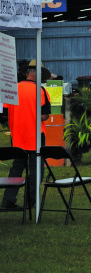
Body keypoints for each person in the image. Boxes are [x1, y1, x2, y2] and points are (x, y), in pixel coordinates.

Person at [1, 61, 52, 211]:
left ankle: (8, 200)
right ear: (38, 74)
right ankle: (30, 202)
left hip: (17, 135)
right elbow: (44, 116)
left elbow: (4, 114)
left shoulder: (12, 90)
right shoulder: (40, 91)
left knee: (16, 168)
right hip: (36, 135)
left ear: (26, 72)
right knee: (36, 169)